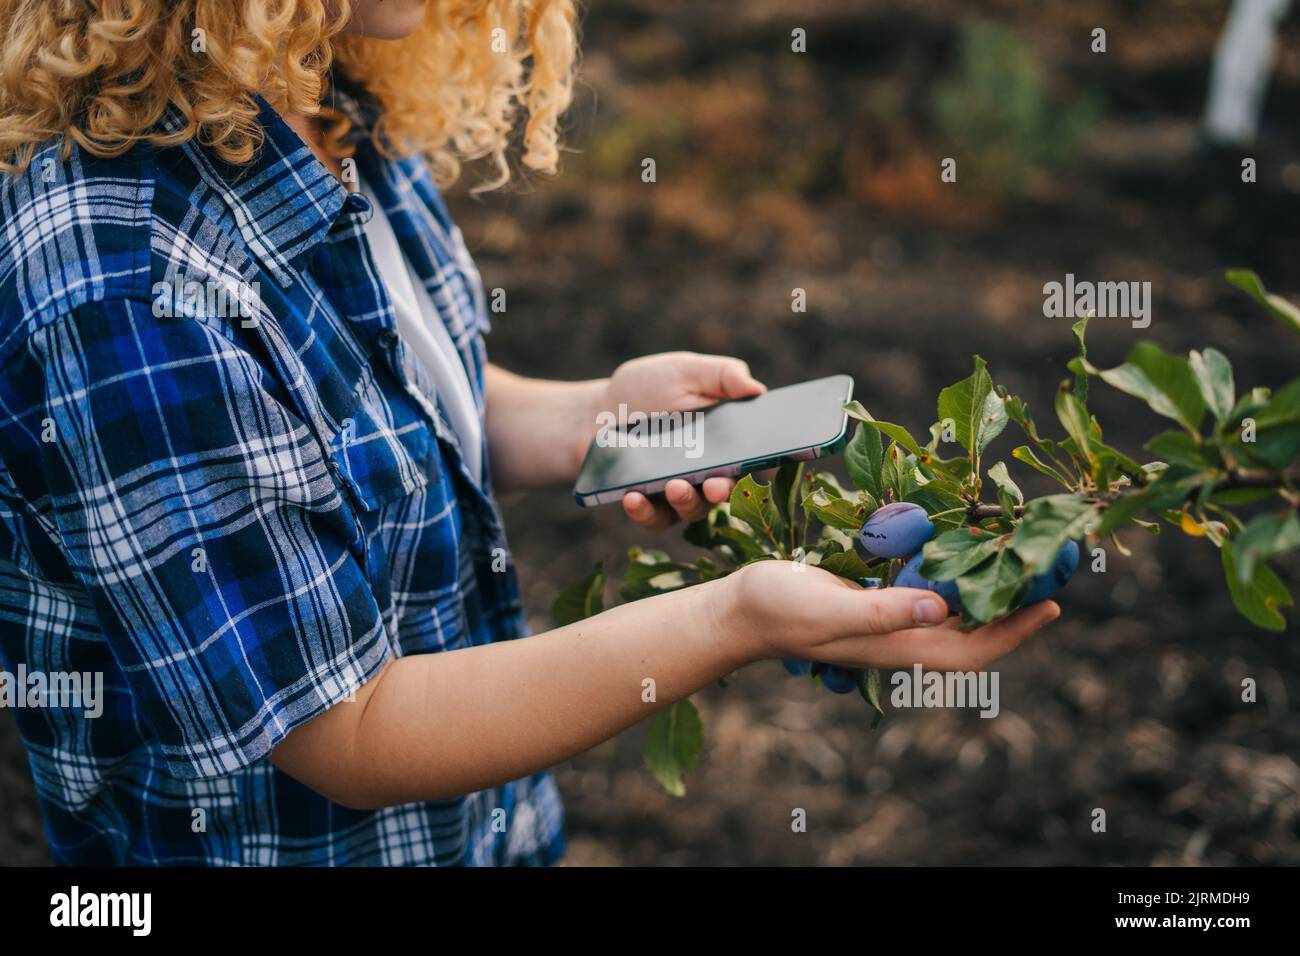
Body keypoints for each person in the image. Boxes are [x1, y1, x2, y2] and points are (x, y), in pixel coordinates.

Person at [0, 0, 1059, 865]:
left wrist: (604, 416)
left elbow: (412, 405)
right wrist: (738, 617)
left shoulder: (322, 103)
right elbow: (348, 728)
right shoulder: (127, 287)